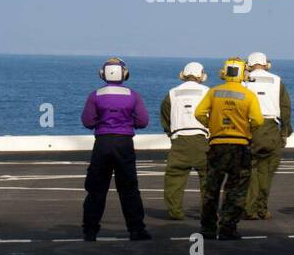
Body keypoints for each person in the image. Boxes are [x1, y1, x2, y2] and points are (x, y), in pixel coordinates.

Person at [80, 57, 151, 242]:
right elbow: (143, 121)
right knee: (129, 188)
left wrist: (102, 123)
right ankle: (136, 229)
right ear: (125, 74)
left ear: (103, 74)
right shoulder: (133, 95)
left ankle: (90, 230)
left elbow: (88, 121)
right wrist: (127, 123)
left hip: (102, 143)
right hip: (124, 143)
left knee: (96, 188)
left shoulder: (95, 95)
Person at [193, 57, 264, 240]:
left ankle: (208, 228)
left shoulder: (214, 92)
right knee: (236, 190)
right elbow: (258, 120)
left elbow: (199, 113)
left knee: (211, 189)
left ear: (225, 72)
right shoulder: (248, 95)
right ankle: (228, 228)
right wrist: (247, 129)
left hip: (217, 145)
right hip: (240, 147)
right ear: (242, 72)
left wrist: (211, 125)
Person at [244, 51, 292, 220]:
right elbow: (285, 108)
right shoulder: (277, 80)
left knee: (251, 170)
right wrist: (285, 131)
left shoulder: (245, 81)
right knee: (266, 172)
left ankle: (249, 209)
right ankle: (262, 209)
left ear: (249, 65)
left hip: (250, 129)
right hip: (271, 129)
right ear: (266, 64)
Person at [161, 62, 210, 220]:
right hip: (202, 140)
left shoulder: (172, 93)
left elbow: (165, 115)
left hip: (179, 140)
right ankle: (207, 212)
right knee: (208, 178)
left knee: (174, 178)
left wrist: (171, 133)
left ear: (183, 75)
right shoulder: (208, 92)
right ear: (201, 76)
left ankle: (175, 212)